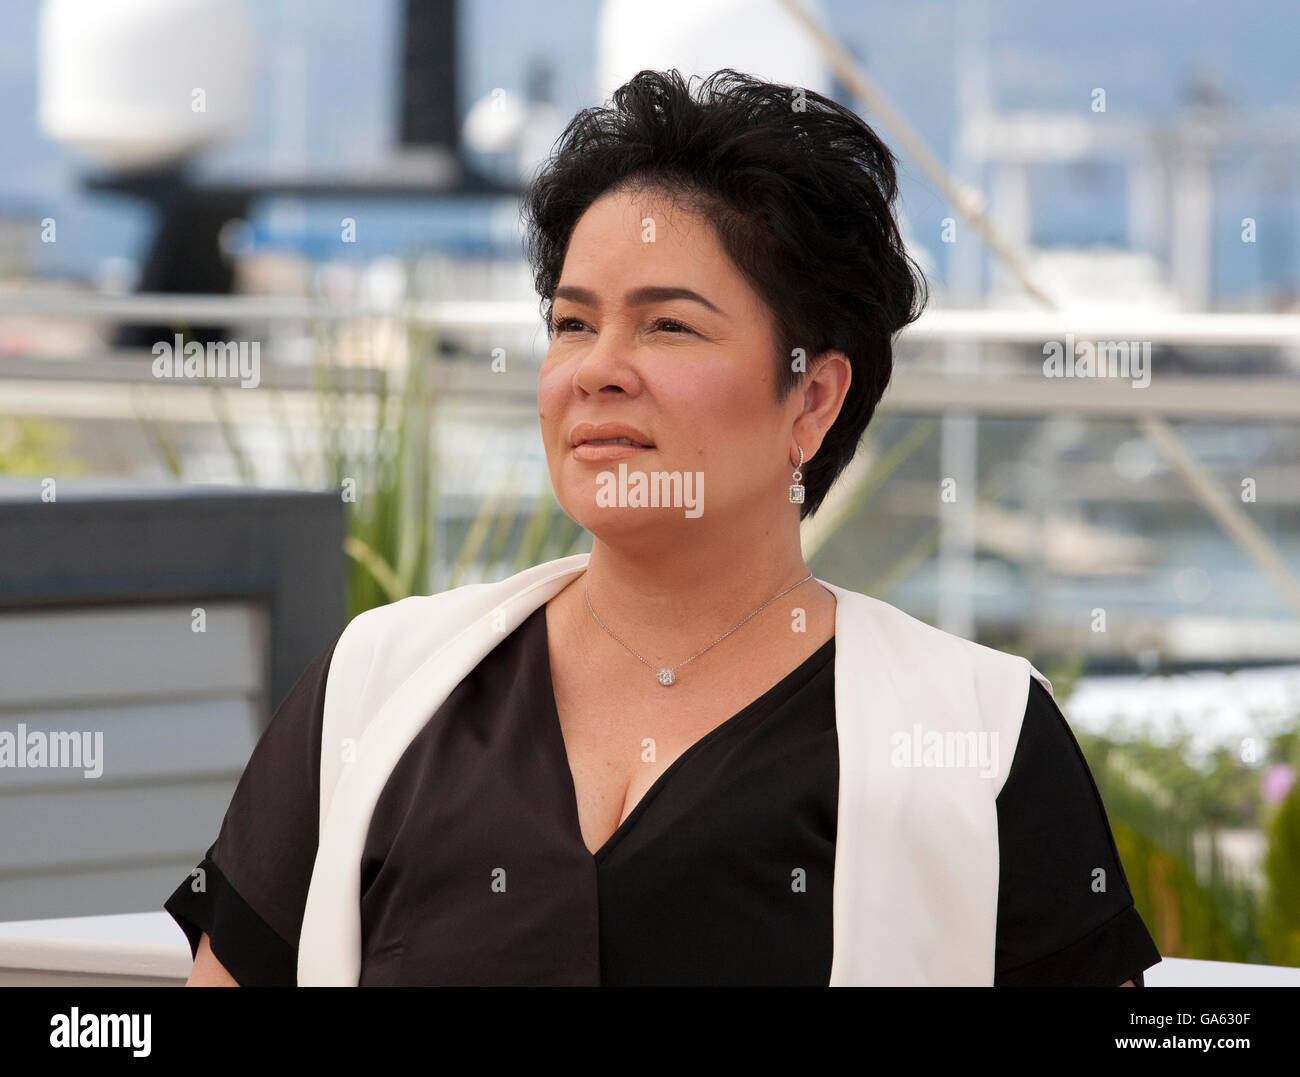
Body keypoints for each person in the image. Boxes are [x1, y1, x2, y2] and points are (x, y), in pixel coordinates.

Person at [165, 68, 1161, 987]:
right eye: (571, 322)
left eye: (668, 324)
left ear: (810, 400)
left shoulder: (975, 737)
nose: (597, 367)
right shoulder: (375, 690)